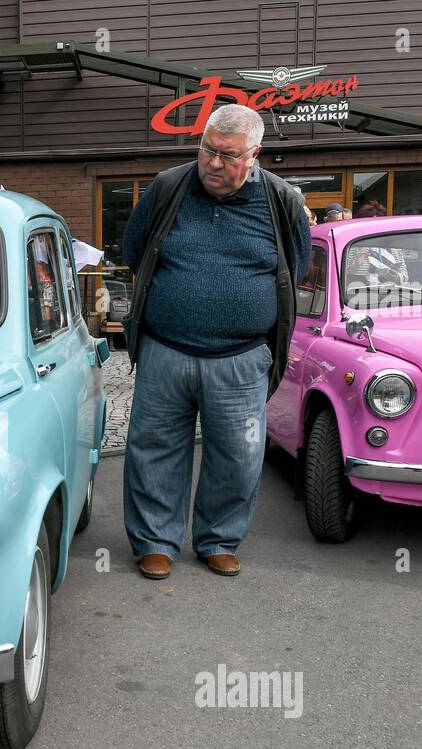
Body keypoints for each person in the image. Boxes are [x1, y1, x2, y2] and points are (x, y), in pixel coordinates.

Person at [120, 104, 311, 580]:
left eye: (228, 156)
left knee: (239, 456)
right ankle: (155, 541)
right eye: (208, 150)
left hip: (242, 358)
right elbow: (133, 250)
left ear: (255, 155)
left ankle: (218, 540)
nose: (213, 163)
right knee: (154, 448)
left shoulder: (281, 201)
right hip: (166, 349)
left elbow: (296, 267)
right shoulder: (169, 187)